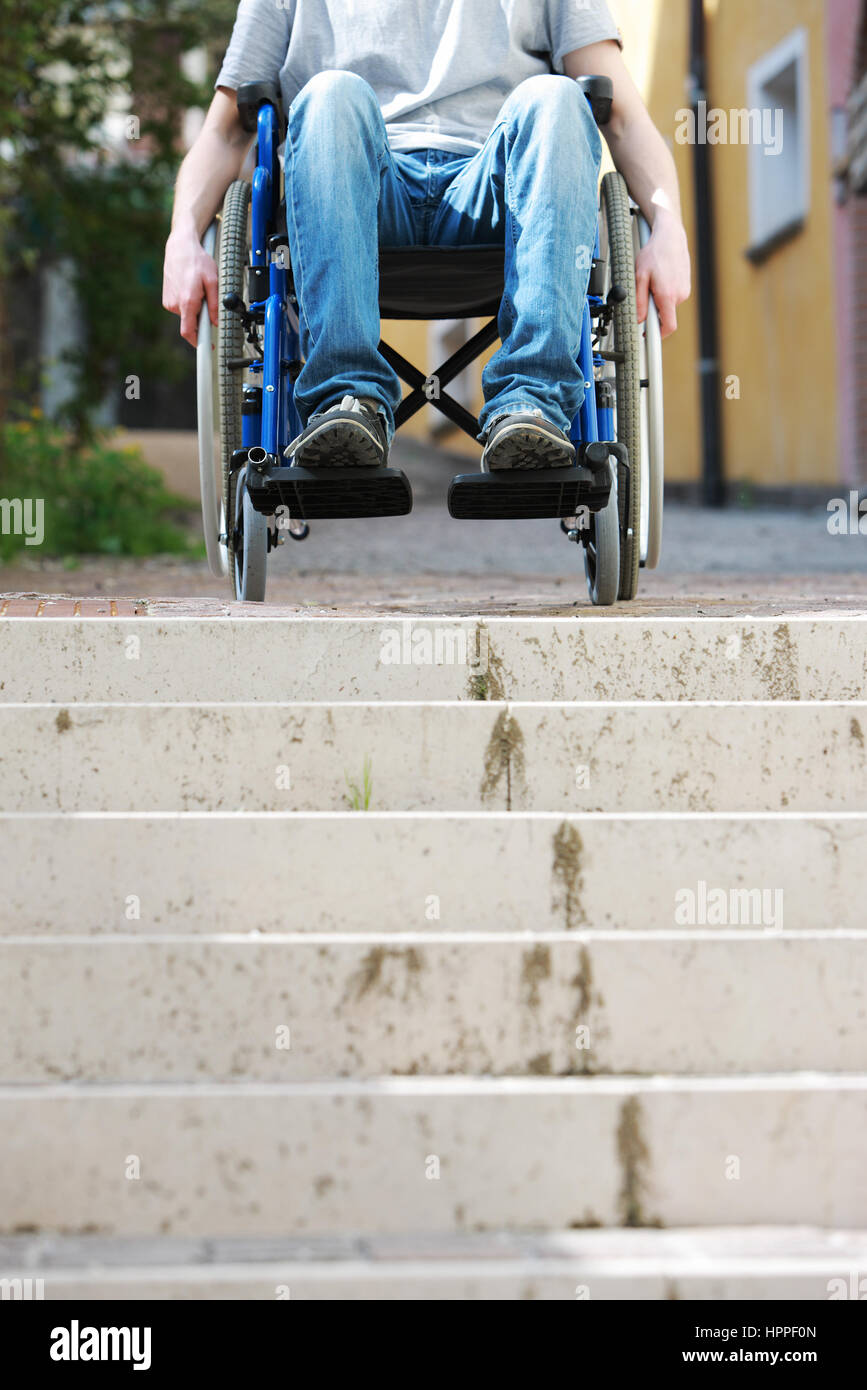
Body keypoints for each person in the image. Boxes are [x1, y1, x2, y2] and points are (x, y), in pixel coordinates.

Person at [163, 0, 690, 472]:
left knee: (558, 96)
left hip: (495, 194)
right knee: (330, 92)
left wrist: (668, 226)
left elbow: (619, 116)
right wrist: (183, 237)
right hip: (353, 198)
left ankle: (532, 402)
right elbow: (229, 128)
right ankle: (347, 403)